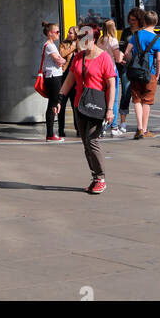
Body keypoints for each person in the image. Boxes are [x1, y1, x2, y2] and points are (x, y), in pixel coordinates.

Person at [57, 24, 115, 194]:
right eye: (81, 38)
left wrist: (110, 109)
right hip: (79, 105)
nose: (82, 41)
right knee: (86, 144)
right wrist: (60, 99)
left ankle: (101, 177)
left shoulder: (104, 58)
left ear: (94, 39)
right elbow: (70, 79)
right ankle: (95, 176)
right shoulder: (79, 57)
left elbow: (111, 85)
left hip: (97, 105)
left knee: (92, 141)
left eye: (85, 38)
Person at [122, 8, 160, 138]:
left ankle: (139, 128)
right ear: (156, 22)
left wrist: (132, 61)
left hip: (135, 72)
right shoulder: (158, 39)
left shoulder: (136, 35)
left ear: (144, 21)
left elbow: (127, 53)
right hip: (149, 73)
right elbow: (159, 59)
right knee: (147, 101)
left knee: (137, 100)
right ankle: (145, 130)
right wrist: (157, 74)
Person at [39, 22, 67, 142]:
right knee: (52, 105)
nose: (58, 34)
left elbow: (60, 60)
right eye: (57, 32)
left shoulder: (52, 45)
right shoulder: (49, 45)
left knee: (54, 104)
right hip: (52, 77)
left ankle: (51, 133)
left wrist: (62, 60)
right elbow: (59, 60)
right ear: (50, 33)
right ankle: (50, 134)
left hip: (55, 76)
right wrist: (62, 60)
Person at [98, 19, 123, 137]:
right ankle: (113, 126)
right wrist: (122, 55)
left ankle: (102, 126)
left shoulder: (99, 41)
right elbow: (118, 59)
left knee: (103, 98)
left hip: (100, 72)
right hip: (111, 71)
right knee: (113, 99)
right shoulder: (113, 41)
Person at [58, 26, 80, 138]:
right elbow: (61, 54)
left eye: (71, 33)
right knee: (61, 104)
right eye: (68, 32)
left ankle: (78, 129)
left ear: (76, 34)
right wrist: (73, 47)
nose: (68, 34)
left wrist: (77, 46)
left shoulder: (80, 45)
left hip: (76, 80)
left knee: (75, 105)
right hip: (64, 77)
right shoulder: (64, 44)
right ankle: (60, 129)